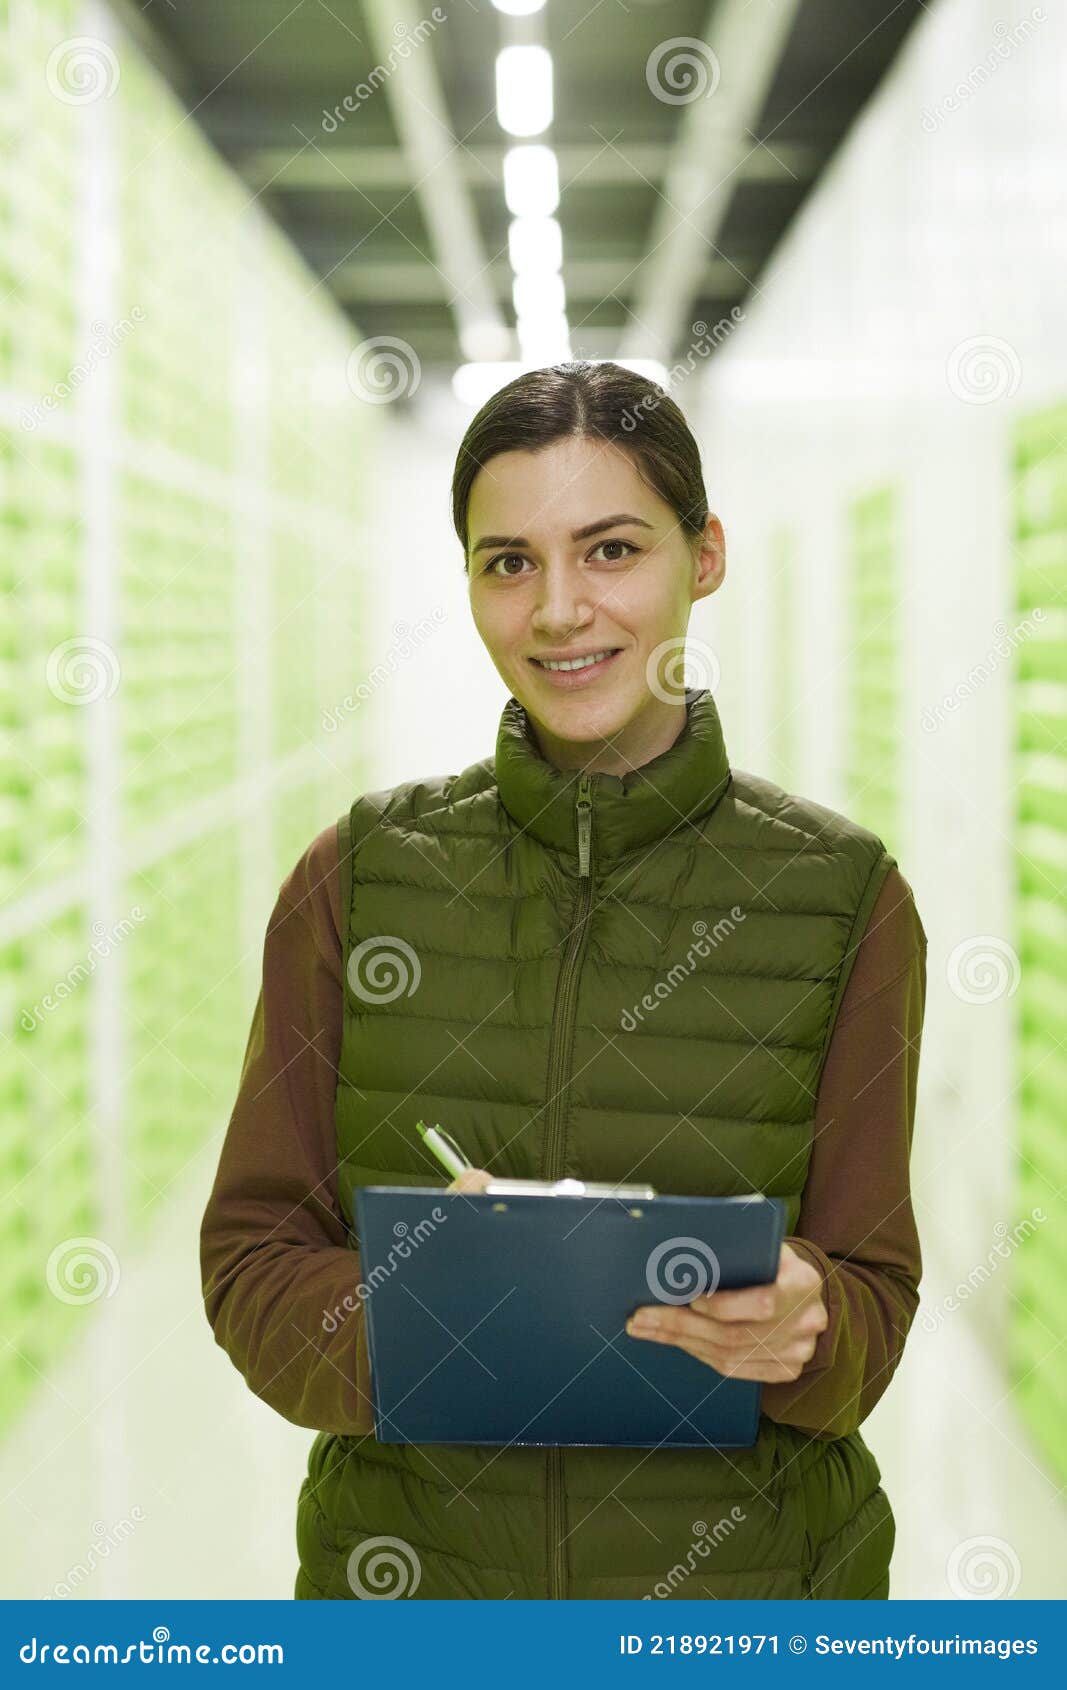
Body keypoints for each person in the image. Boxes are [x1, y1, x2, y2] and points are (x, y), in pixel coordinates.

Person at [199, 360, 926, 1600]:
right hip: (417, 1597)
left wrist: (806, 1325)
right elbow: (252, 1258)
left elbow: (868, 1308)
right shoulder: (359, 875)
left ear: (703, 555)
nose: (557, 612)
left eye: (610, 549)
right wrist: (466, 1314)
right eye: (509, 562)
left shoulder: (843, 896)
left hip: (748, 1601)